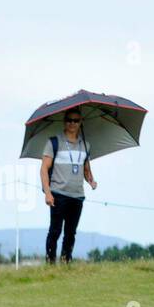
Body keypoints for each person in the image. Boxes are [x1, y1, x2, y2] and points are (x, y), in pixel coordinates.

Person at [41, 110, 97, 264]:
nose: (72, 123)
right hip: (58, 194)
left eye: (76, 120)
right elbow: (44, 169)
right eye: (69, 120)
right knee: (55, 231)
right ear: (64, 122)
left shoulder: (86, 145)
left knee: (71, 233)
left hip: (77, 196)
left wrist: (91, 181)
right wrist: (47, 193)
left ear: (81, 123)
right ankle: (50, 263)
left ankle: (66, 262)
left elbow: (86, 170)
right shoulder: (54, 142)